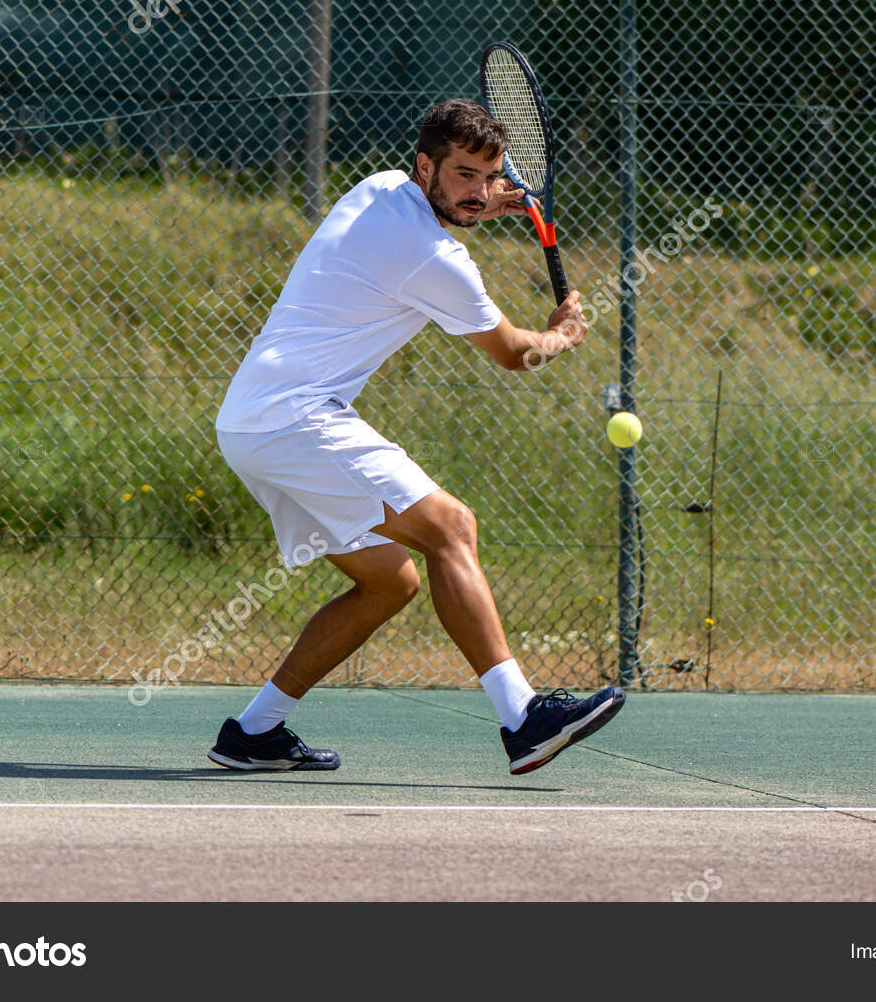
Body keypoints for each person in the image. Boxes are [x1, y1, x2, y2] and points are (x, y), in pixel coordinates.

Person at [209, 98, 625, 775]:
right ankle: (522, 718)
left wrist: (493, 208)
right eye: (463, 175)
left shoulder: (377, 188)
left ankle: (253, 731)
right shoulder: (435, 258)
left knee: (389, 584)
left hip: (249, 421)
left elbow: (442, 214)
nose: (479, 192)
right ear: (426, 164)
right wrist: (564, 334)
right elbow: (515, 353)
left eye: (489, 178)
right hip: (295, 417)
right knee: (452, 528)